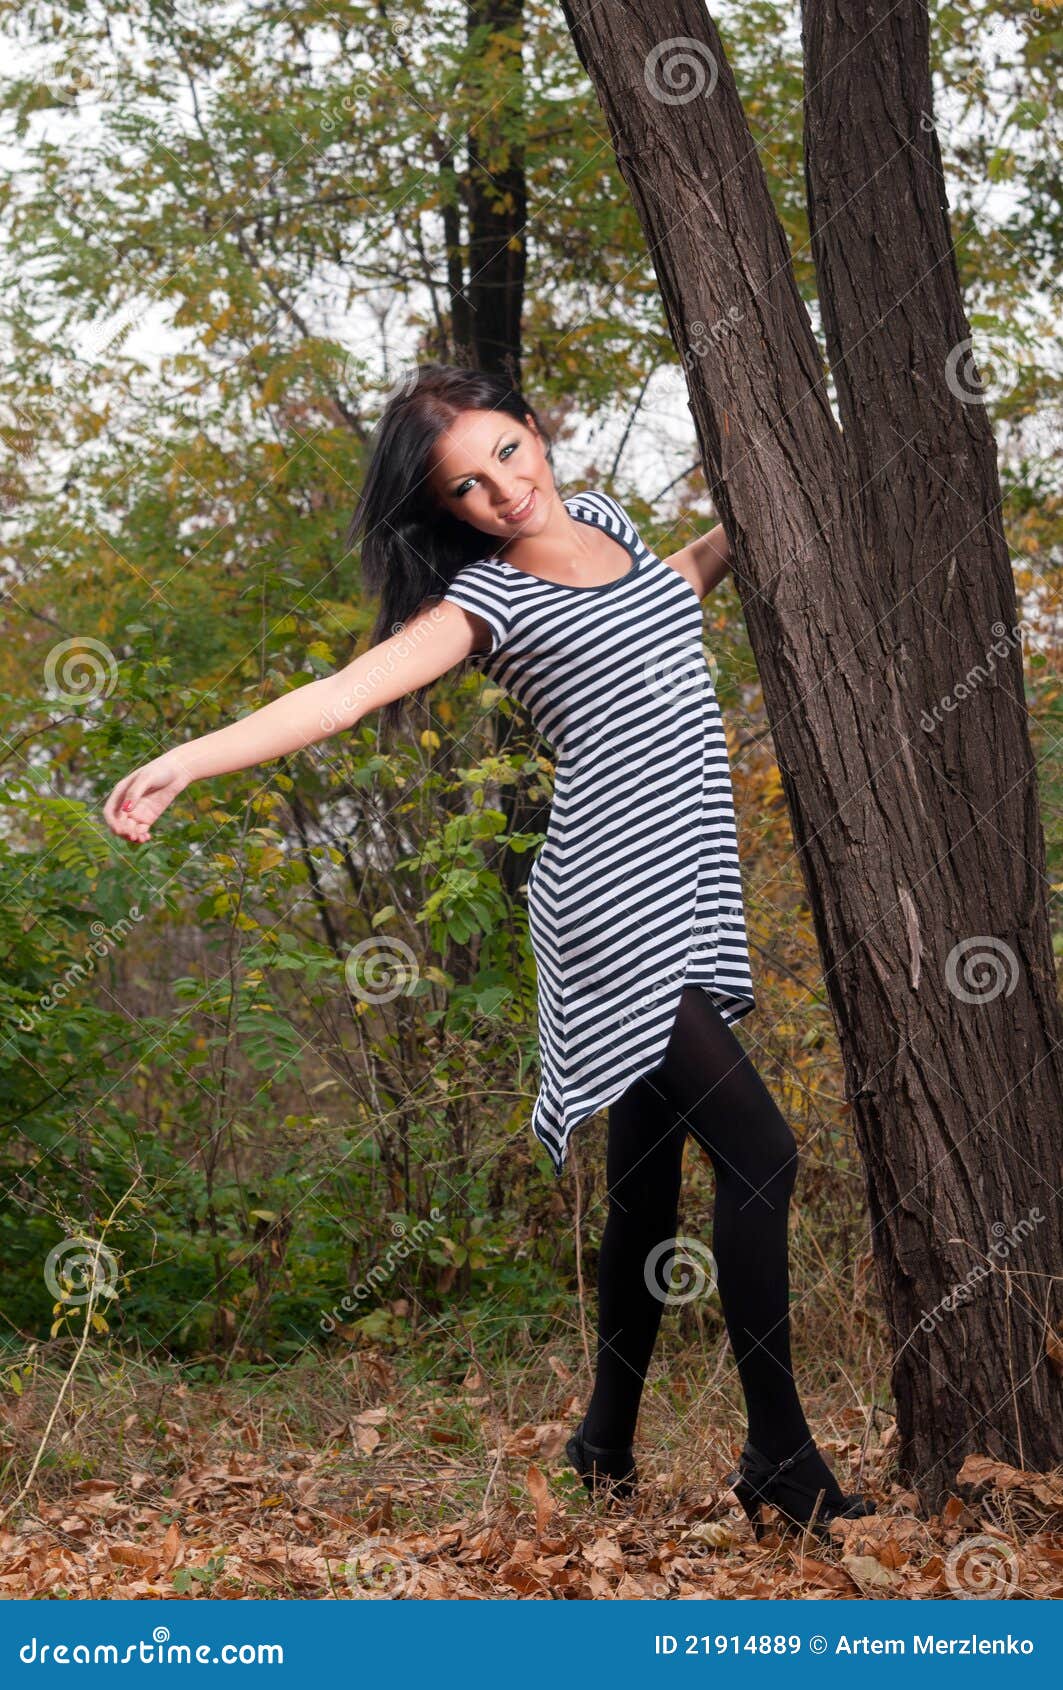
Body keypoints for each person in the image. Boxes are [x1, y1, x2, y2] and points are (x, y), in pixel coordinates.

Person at [103, 364, 875, 1541]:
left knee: (644, 1188)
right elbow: (343, 697)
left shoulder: (611, 526)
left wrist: (748, 518)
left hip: (683, 887)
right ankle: (780, 1451)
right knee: (763, 1155)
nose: (501, 490)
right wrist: (189, 761)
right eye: (466, 486)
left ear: (533, 430)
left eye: (505, 454)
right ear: (447, 510)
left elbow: (667, 596)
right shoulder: (484, 604)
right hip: (612, 909)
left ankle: (604, 1434)